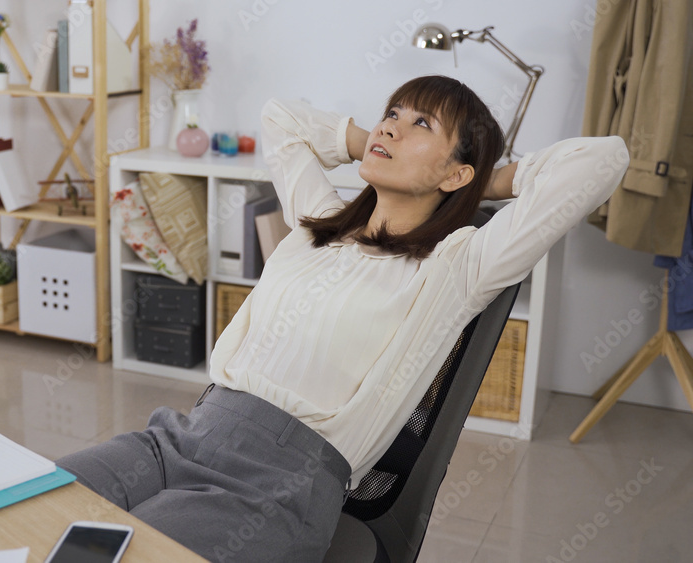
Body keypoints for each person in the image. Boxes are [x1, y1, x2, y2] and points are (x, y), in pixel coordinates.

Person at [57, 75, 628, 562]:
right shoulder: (319, 220)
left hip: (272, 487)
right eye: (390, 115)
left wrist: (488, 179)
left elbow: (603, 160)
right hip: (177, 438)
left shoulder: (459, 266)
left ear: (456, 175)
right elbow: (280, 117)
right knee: (27, 506)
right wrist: (371, 142)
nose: (389, 128)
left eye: (421, 125)